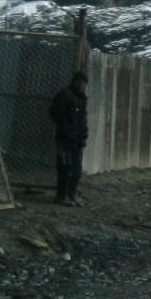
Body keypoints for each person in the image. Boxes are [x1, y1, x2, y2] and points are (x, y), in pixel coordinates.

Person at [49, 71, 89, 206]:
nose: (82, 85)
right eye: (80, 82)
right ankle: (61, 196)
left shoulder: (81, 98)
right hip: (65, 139)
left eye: (84, 83)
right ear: (75, 81)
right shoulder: (65, 95)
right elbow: (55, 113)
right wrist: (66, 129)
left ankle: (71, 195)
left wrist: (83, 135)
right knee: (65, 168)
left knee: (77, 170)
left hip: (77, 139)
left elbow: (83, 120)